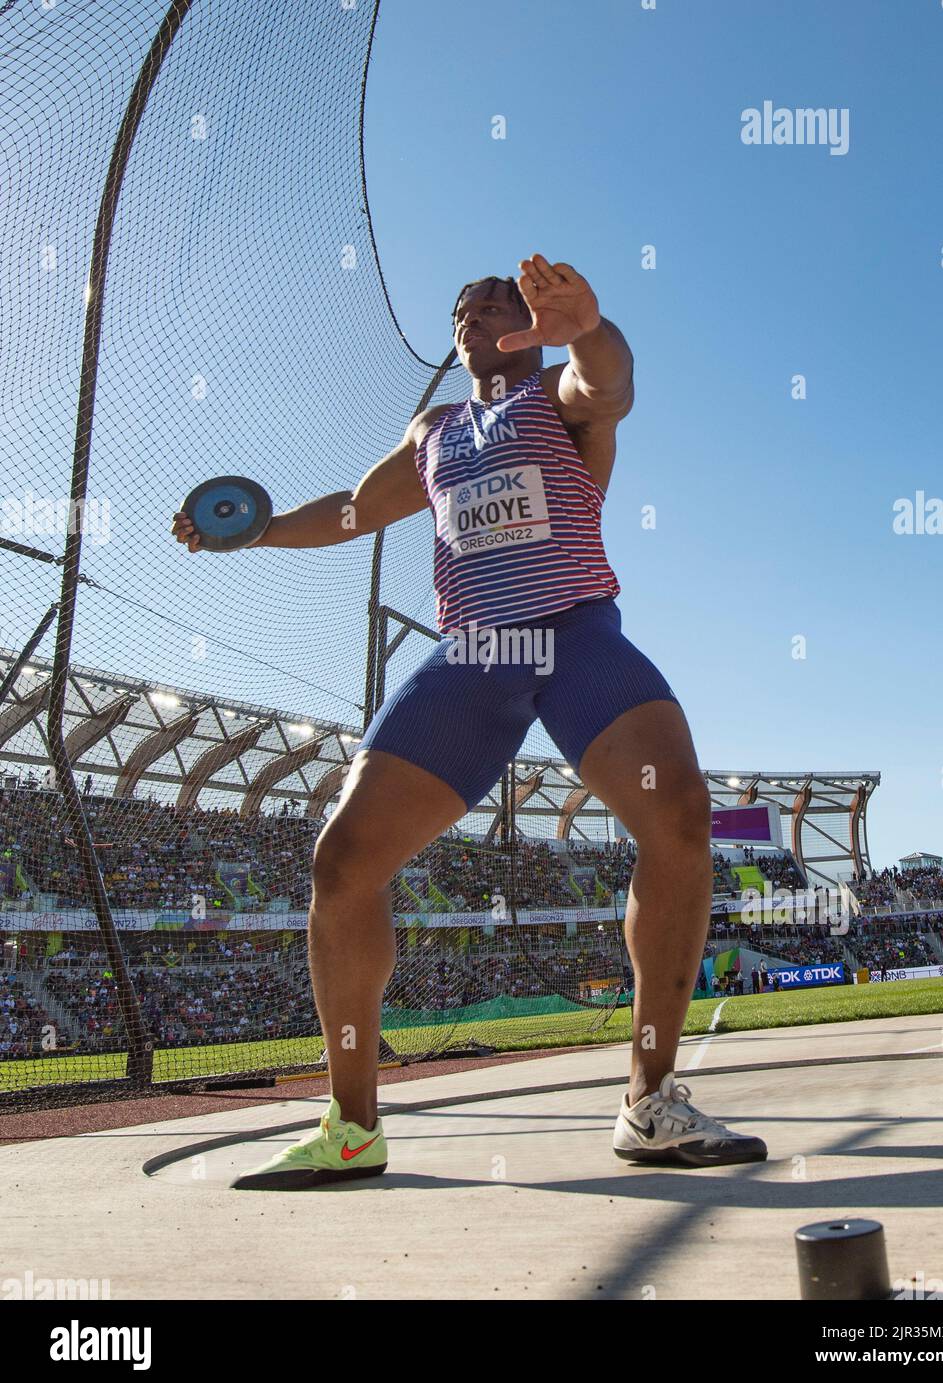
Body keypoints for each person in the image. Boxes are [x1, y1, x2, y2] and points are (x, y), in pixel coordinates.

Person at [174, 254, 767, 1187]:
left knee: (681, 818)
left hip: (576, 635)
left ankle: (649, 1103)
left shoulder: (558, 399)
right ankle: (353, 1130)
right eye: (467, 305)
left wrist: (589, 331)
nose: (482, 308)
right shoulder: (436, 429)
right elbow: (354, 510)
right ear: (457, 342)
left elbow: (608, 383)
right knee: (343, 860)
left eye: (502, 298)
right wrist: (255, 528)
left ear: (532, 323)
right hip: (478, 653)